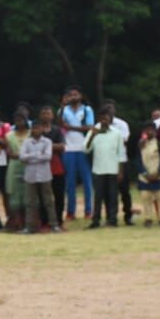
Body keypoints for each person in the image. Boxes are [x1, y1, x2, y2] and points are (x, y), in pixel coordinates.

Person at [85, 105, 122, 228]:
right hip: (98, 169)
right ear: (99, 118)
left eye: (107, 117)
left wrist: (120, 171)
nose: (105, 119)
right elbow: (85, 149)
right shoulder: (93, 131)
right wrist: (92, 136)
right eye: (102, 117)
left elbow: (121, 153)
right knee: (98, 196)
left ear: (110, 119)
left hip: (113, 169)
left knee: (112, 196)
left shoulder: (117, 133)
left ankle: (112, 220)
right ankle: (95, 220)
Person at [60, 86, 94, 219]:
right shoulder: (63, 110)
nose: (74, 97)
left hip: (83, 148)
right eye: (71, 95)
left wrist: (70, 127)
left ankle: (88, 210)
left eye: (76, 94)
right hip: (68, 149)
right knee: (70, 182)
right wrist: (62, 106)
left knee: (87, 181)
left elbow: (90, 127)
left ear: (81, 96)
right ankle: (70, 211)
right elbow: (60, 124)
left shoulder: (87, 109)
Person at [19, 119, 56, 234]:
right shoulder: (26, 142)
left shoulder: (47, 142)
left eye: (38, 128)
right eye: (34, 128)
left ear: (42, 129)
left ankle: (54, 225)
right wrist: (38, 154)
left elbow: (48, 156)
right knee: (30, 202)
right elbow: (22, 157)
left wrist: (31, 157)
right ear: (31, 130)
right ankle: (29, 226)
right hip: (30, 175)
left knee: (48, 201)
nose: (36, 130)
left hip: (45, 175)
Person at [105, 100, 134, 225]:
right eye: (107, 109)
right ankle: (111, 218)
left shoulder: (122, 124)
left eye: (111, 108)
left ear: (114, 110)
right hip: (106, 162)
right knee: (109, 192)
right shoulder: (100, 126)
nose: (110, 111)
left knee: (124, 190)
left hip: (121, 160)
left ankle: (128, 216)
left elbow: (123, 140)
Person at [137, 120, 160, 226]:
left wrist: (159, 173)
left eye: (151, 129)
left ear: (155, 130)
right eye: (147, 130)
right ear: (144, 131)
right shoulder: (141, 143)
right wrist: (145, 174)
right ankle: (148, 218)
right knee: (146, 197)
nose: (149, 132)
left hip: (159, 175)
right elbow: (138, 160)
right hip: (145, 176)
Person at [3, 108, 28, 230]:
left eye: (21, 120)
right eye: (17, 120)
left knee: (27, 194)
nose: (19, 122)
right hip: (13, 167)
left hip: (28, 167)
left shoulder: (31, 134)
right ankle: (16, 223)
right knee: (14, 195)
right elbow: (9, 153)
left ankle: (27, 223)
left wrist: (22, 155)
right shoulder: (8, 135)